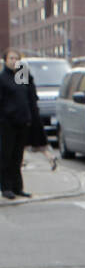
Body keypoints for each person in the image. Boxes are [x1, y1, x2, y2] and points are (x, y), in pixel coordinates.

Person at [0, 48, 46, 199]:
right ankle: (6, 187)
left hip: (23, 122)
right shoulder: (3, 78)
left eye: (16, 58)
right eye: (11, 58)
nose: (14, 61)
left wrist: (31, 117)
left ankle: (17, 187)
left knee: (18, 157)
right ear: (5, 60)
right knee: (6, 156)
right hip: (8, 123)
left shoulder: (21, 74)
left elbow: (29, 96)